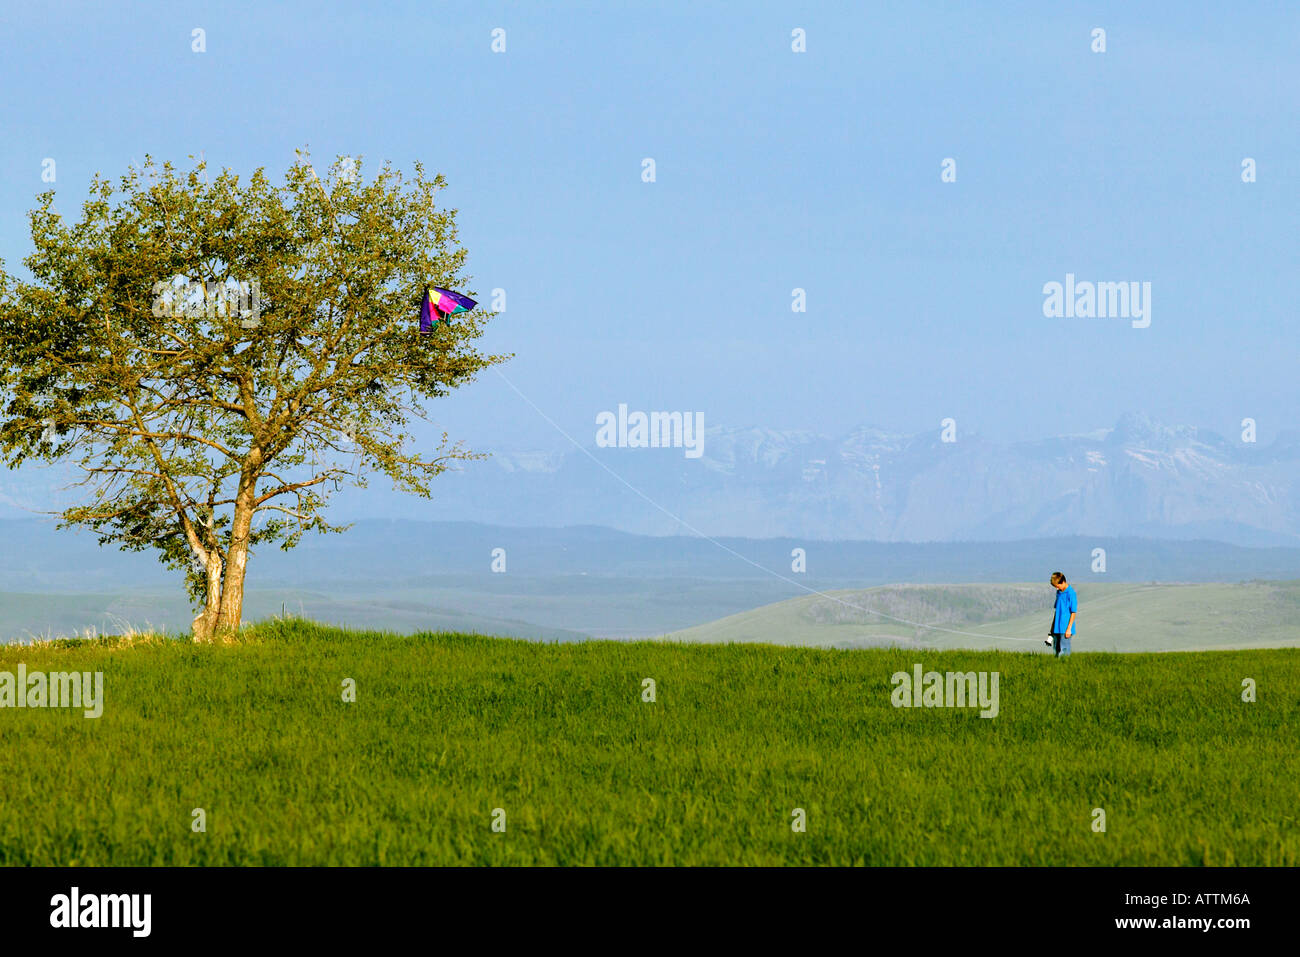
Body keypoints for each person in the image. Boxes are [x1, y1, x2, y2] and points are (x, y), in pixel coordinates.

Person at [1043, 571, 1077, 657]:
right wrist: (1052, 626)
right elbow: (1057, 611)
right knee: (1056, 649)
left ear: (1063, 582)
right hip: (1056, 627)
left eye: (1057, 586)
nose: (1057, 588)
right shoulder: (1058, 593)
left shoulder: (1071, 593)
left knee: (1064, 649)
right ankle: (1056, 666)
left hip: (1065, 627)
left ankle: (1064, 666)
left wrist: (1069, 629)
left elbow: (1073, 612)